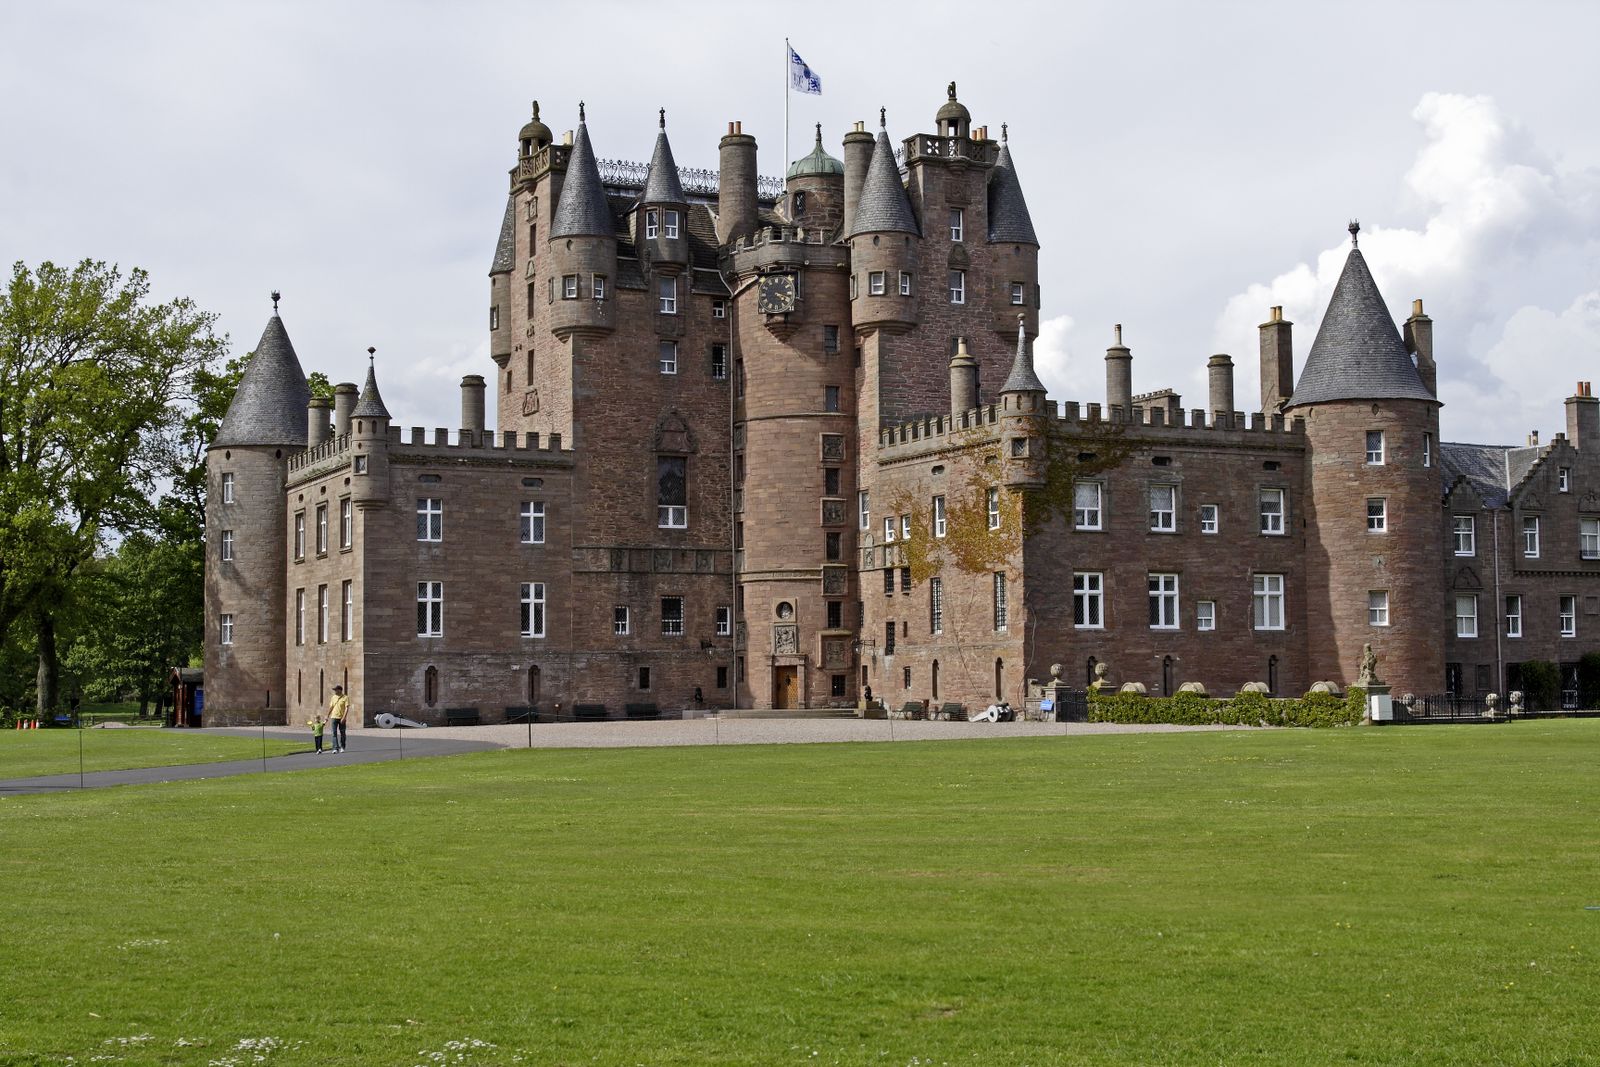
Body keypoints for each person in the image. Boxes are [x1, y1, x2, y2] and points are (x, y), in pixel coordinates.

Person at [327, 686, 350, 753]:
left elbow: (347, 708)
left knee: (342, 733)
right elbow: (331, 707)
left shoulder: (345, 697)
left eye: (336, 690)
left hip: (341, 718)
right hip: (334, 717)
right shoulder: (333, 697)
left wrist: (344, 717)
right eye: (334, 690)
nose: (335, 691)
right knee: (334, 733)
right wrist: (327, 715)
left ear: (340, 690)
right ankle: (335, 748)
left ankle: (342, 747)